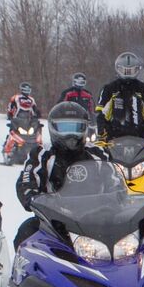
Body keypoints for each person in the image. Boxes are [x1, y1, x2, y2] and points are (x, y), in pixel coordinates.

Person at [14, 102, 110, 248]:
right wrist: (31, 197)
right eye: (65, 128)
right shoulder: (42, 154)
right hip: (54, 222)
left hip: (96, 220)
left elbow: (115, 181)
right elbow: (27, 180)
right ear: (54, 128)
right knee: (26, 235)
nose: (71, 135)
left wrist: (120, 199)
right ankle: (27, 270)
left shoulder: (98, 154)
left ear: (85, 129)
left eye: (77, 128)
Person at [95, 52, 144, 143]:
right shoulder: (109, 89)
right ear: (118, 69)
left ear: (137, 70)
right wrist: (101, 132)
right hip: (114, 138)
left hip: (140, 137)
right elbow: (101, 112)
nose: (128, 74)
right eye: (125, 70)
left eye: (131, 71)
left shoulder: (143, 89)